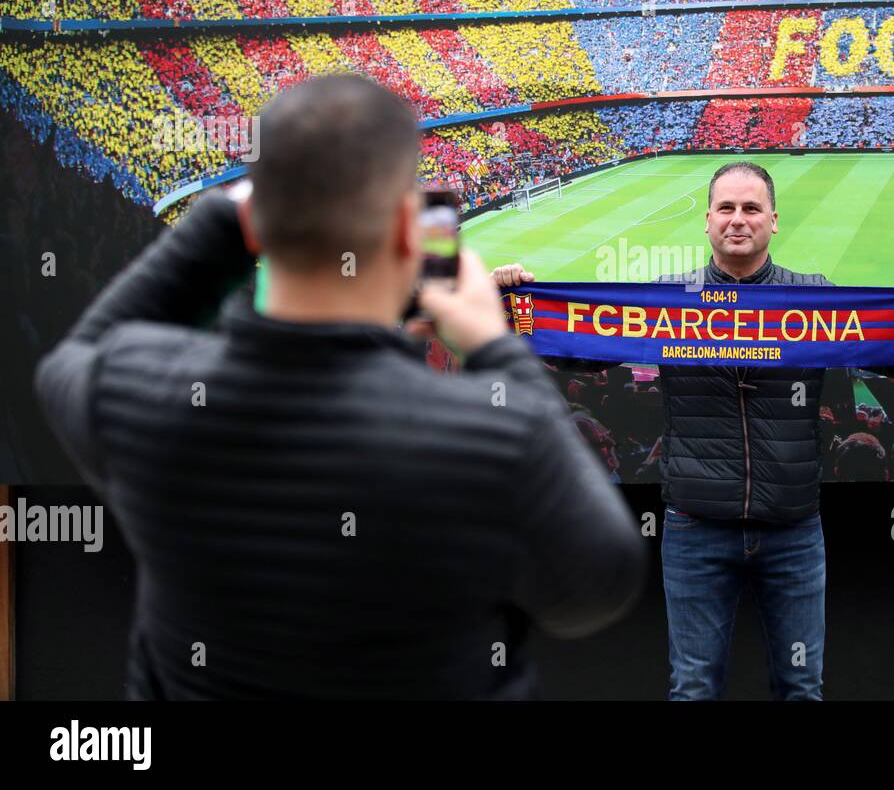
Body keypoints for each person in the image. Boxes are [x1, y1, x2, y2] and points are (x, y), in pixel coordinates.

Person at [33, 75, 646, 699]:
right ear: (412, 232)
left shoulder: (136, 391)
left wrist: (220, 222)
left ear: (254, 222)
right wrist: (496, 347)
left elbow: (70, 361)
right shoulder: (495, 435)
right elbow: (601, 582)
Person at [492, 160, 894, 700]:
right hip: (696, 526)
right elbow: (579, 351)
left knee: (801, 688)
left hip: (793, 528)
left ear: (774, 220)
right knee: (693, 688)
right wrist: (516, 305)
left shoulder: (815, 298)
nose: (738, 220)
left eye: (751, 209)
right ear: (708, 220)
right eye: (726, 208)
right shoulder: (666, 299)